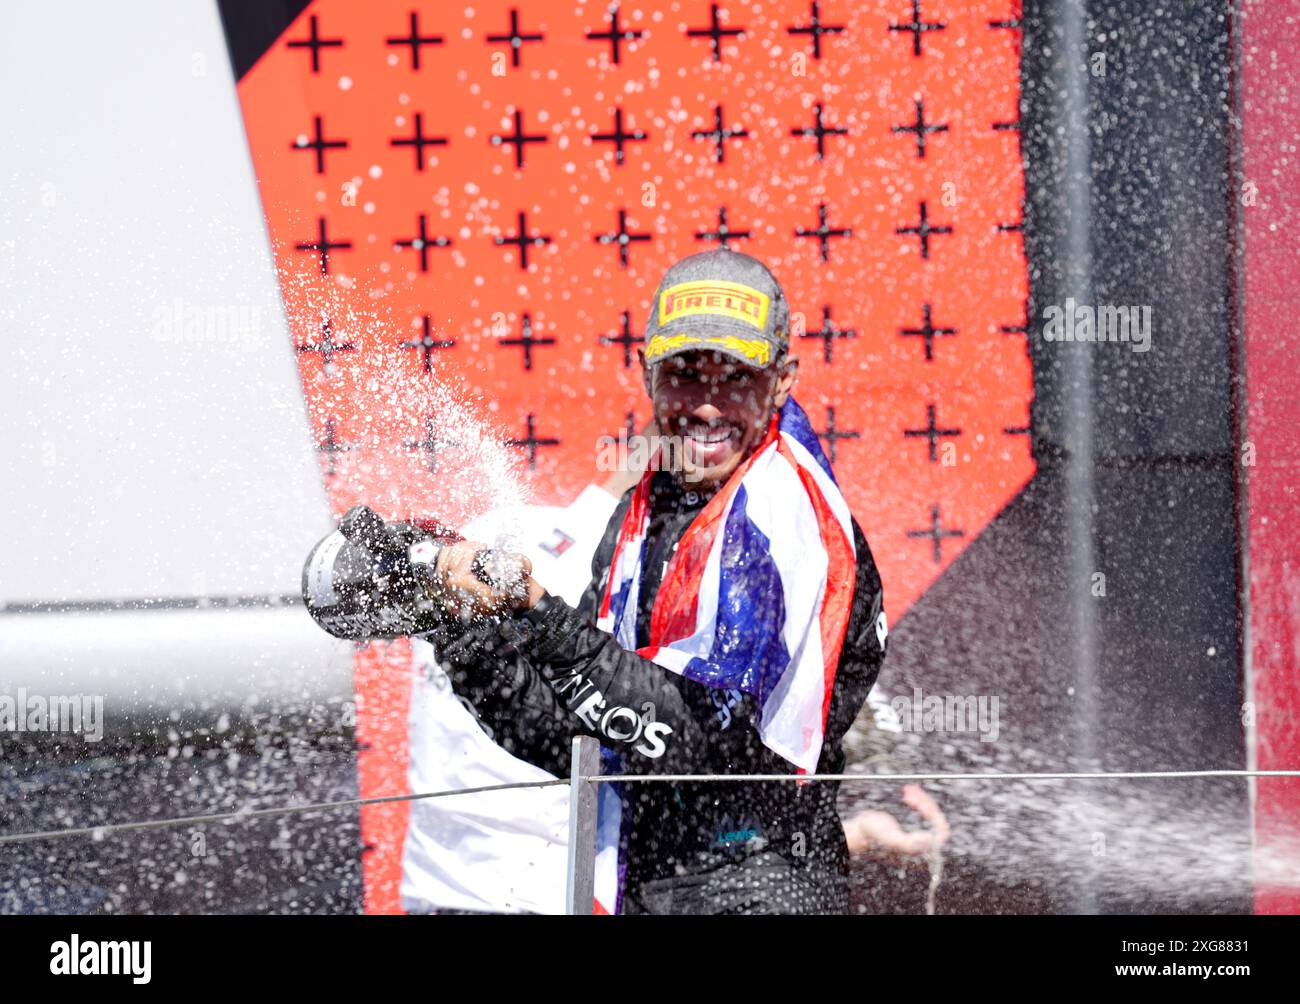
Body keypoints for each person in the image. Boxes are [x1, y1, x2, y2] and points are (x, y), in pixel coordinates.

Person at [424, 248, 894, 914]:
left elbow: (695, 743)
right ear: (647, 373)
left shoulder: (784, 522)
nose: (705, 406)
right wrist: (461, 631)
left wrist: (537, 616)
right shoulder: (646, 510)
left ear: (782, 381)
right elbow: (584, 740)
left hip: (762, 895)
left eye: (736, 377)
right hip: (653, 888)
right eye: (683, 373)